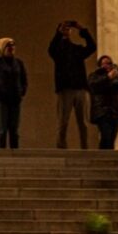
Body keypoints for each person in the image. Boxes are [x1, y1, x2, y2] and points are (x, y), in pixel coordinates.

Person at [47, 20, 96, 148]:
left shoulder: (77, 49)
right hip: (65, 89)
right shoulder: (57, 51)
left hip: (80, 88)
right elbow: (51, 49)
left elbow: (92, 47)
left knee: (83, 123)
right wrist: (58, 33)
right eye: (64, 29)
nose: (67, 31)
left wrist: (82, 29)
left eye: (69, 29)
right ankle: (61, 147)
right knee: (63, 122)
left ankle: (84, 147)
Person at [0, 37, 27, 149]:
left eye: (13, 46)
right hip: (1, 100)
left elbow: (24, 80)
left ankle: (15, 154)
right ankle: (2, 153)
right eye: (8, 46)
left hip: (15, 100)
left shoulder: (19, 63)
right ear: (3, 48)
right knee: (2, 129)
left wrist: (22, 91)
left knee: (14, 130)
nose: (11, 48)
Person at [88, 54, 118, 150]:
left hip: (116, 112)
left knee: (112, 139)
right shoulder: (95, 75)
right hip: (102, 112)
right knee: (106, 137)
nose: (107, 65)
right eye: (104, 63)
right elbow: (94, 86)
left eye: (109, 63)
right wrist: (108, 77)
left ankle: (108, 159)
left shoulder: (116, 78)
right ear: (100, 65)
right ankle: (102, 160)